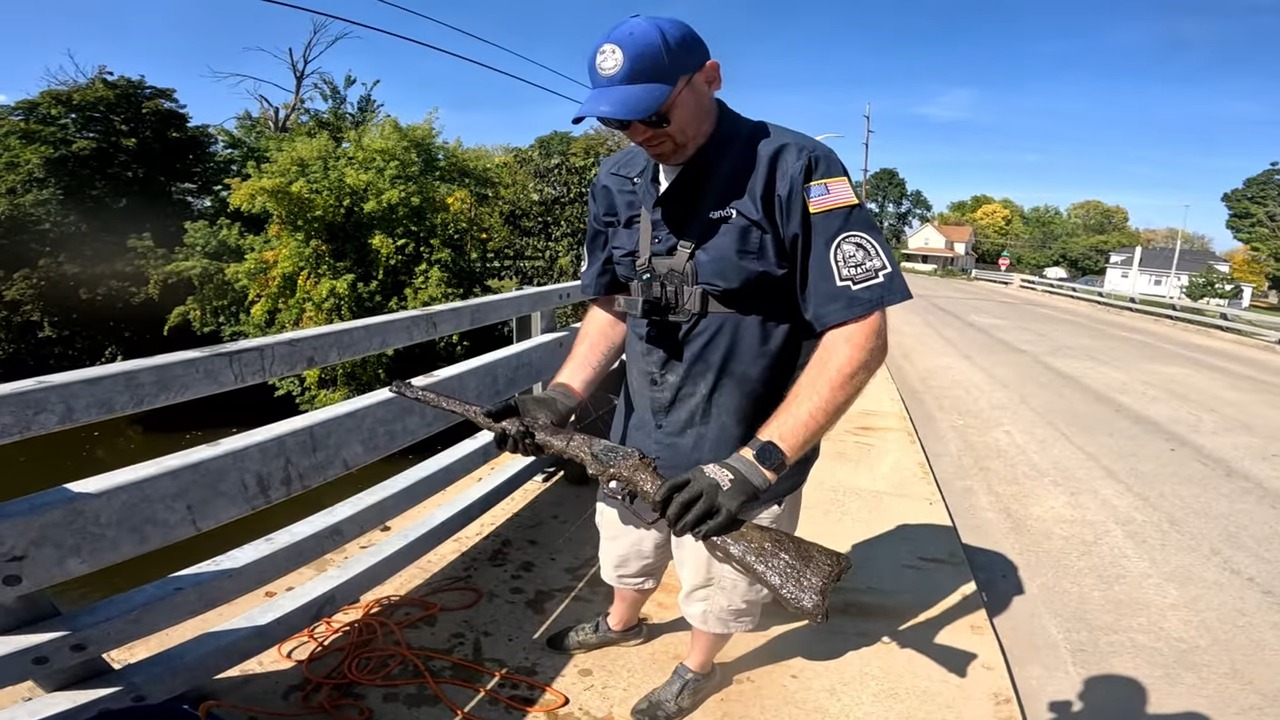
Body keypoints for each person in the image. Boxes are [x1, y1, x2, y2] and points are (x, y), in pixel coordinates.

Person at [483, 14, 913, 720]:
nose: (638, 134)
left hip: (742, 434)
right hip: (639, 422)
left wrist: (754, 466)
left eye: (651, 113)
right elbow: (613, 302)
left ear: (709, 79)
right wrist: (561, 396)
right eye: (616, 122)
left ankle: (697, 666)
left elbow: (861, 331)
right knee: (624, 543)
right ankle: (624, 622)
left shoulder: (798, 168)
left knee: (721, 578)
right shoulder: (618, 178)